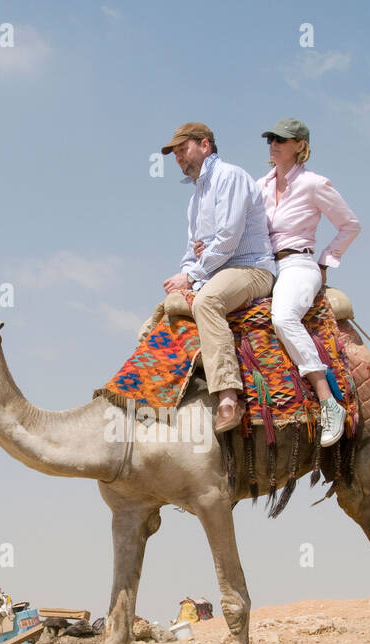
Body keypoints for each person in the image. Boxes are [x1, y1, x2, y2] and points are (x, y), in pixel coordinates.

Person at [161, 122, 277, 432]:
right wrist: (187, 272)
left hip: (251, 269)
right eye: (174, 155)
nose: (179, 159)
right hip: (216, 273)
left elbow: (228, 237)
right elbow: (191, 250)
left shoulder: (230, 177)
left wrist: (195, 273)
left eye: (183, 150)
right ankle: (161, 401)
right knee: (162, 314)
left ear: (205, 146)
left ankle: (229, 396)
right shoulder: (194, 199)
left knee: (207, 302)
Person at [257, 118, 361, 447]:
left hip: (297, 263)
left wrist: (326, 260)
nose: (273, 143)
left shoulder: (315, 184)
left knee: (283, 317)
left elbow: (349, 225)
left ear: (300, 145)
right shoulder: (259, 186)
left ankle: (328, 400)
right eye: (271, 138)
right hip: (261, 265)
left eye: (281, 139)